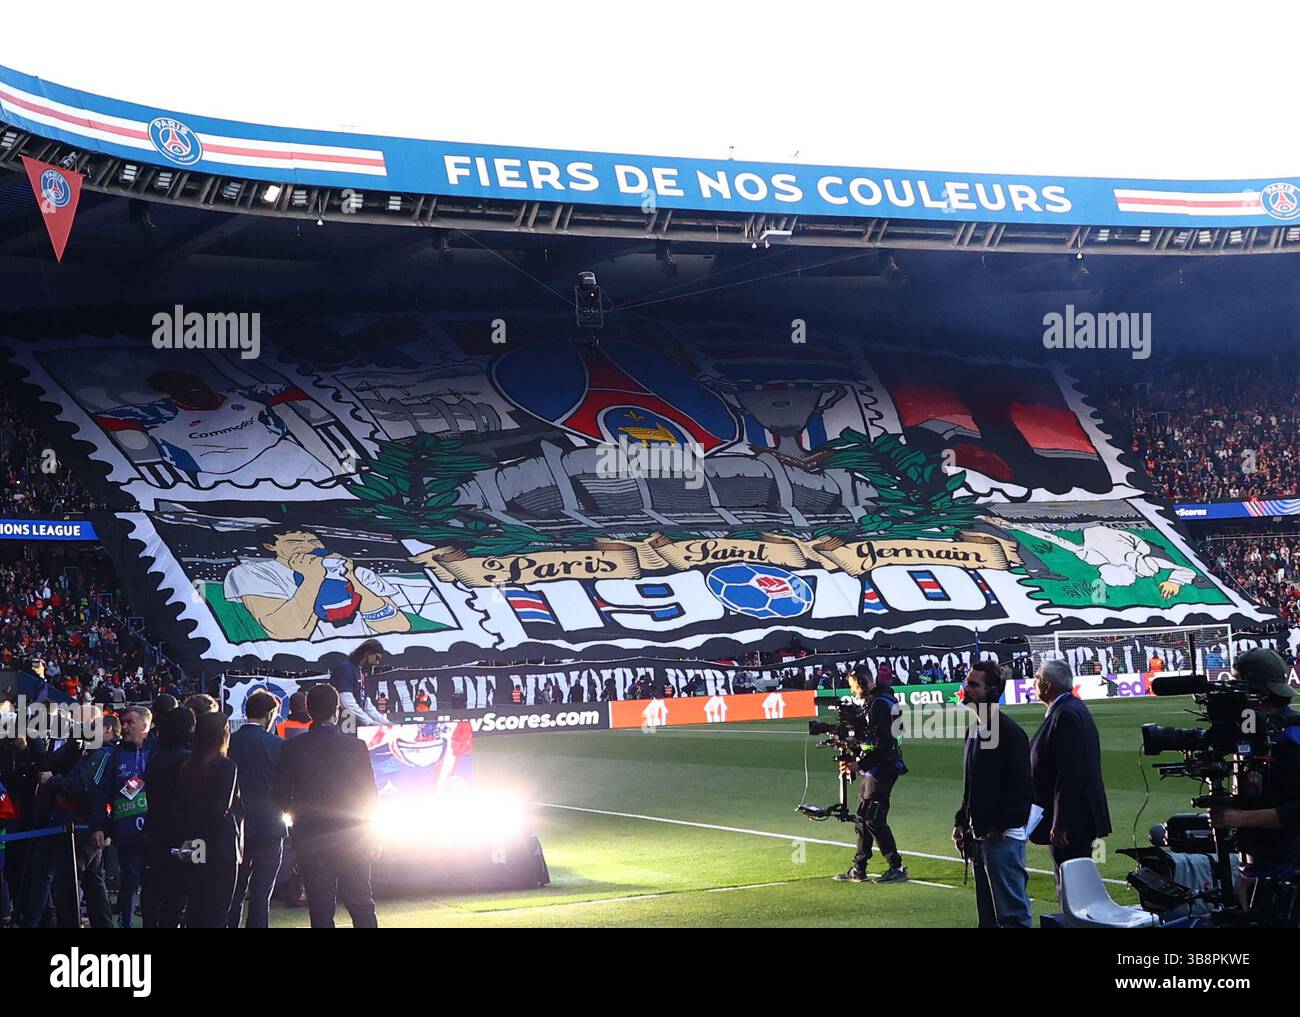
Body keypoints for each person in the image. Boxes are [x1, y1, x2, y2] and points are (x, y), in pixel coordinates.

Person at [274, 683, 379, 928]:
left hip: (311, 837)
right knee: (361, 904)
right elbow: (370, 794)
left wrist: (296, 813)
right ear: (337, 710)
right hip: (353, 836)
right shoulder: (356, 747)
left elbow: (279, 793)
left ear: (309, 710)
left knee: (320, 910)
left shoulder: (292, 747)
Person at [1209, 648, 1300, 913]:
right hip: (1260, 866)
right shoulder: (1255, 732)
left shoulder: (1289, 737)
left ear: (1255, 691)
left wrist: (1237, 819)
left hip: (1288, 872)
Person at [952, 661, 1034, 928]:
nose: (966, 689)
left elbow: (1021, 788)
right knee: (987, 915)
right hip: (980, 834)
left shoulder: (1009, 732)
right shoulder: (974, 729)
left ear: (992, 691)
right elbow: (973, 786)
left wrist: (1000, 826)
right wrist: (961, 822)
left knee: (1012, 915)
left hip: (1001, 837)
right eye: (967, 682)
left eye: (974, 684)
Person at [1027, 659, 1111, 895]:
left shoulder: (1065, 714)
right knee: (1071, 880)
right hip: (1071, 817)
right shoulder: (1069, 710)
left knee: (1071, 884)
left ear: (1047, 685)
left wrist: (1061, 821)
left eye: (1037, 679)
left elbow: (1070, 772)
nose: (1034, 684)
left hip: (1071, 821)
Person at [834, 668, 909, 884]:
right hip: (876, 767)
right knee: (863, 817)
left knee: (873, 818)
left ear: (862, 682)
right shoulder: (882, 700)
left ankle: (897, 867)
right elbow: (875, 739)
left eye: (852, 685)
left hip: (882, 767)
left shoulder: (879, 704)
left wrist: (859, 764)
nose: (852, 690)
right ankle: (859, 868)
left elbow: (885, 744)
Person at [176, 711, 243, 928]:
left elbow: (185, 809)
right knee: (217, 911)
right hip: (221, 846)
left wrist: (192, 838)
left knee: (197, 906)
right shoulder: (226, 766)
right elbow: (220, 809)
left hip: (196, 843)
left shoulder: (187, 768)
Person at [227, 690, 287, 928]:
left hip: (236, 825)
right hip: (270, 824)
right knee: (262, 893)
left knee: (235, 890)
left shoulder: (230, 741)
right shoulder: (278, 745)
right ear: (270, 714)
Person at [93, 705, 152, 928]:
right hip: (126, 834)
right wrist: (99, 825)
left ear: (145, 725)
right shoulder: (114, 755)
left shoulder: (156, 751)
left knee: (153, 886)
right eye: (123, 722)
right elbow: (100, 792)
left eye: (130, 722)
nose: (124, 727)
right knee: (129, 883)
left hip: (154, 833)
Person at [142, 706, 195, 928]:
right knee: (179, 898)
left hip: (157, 834)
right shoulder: (188, 759)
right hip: (184, 836)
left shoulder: (155, 758)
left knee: (160, 894)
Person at [331, 640, 390, 729]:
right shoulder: (345, 669)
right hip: (343, 727)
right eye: (376, 658)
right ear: (367, 653)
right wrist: (370, 722)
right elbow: (346, 703)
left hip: (355, 728)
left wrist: (388, 724)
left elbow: (367, 706)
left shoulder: (360, 672)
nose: (377, 663)